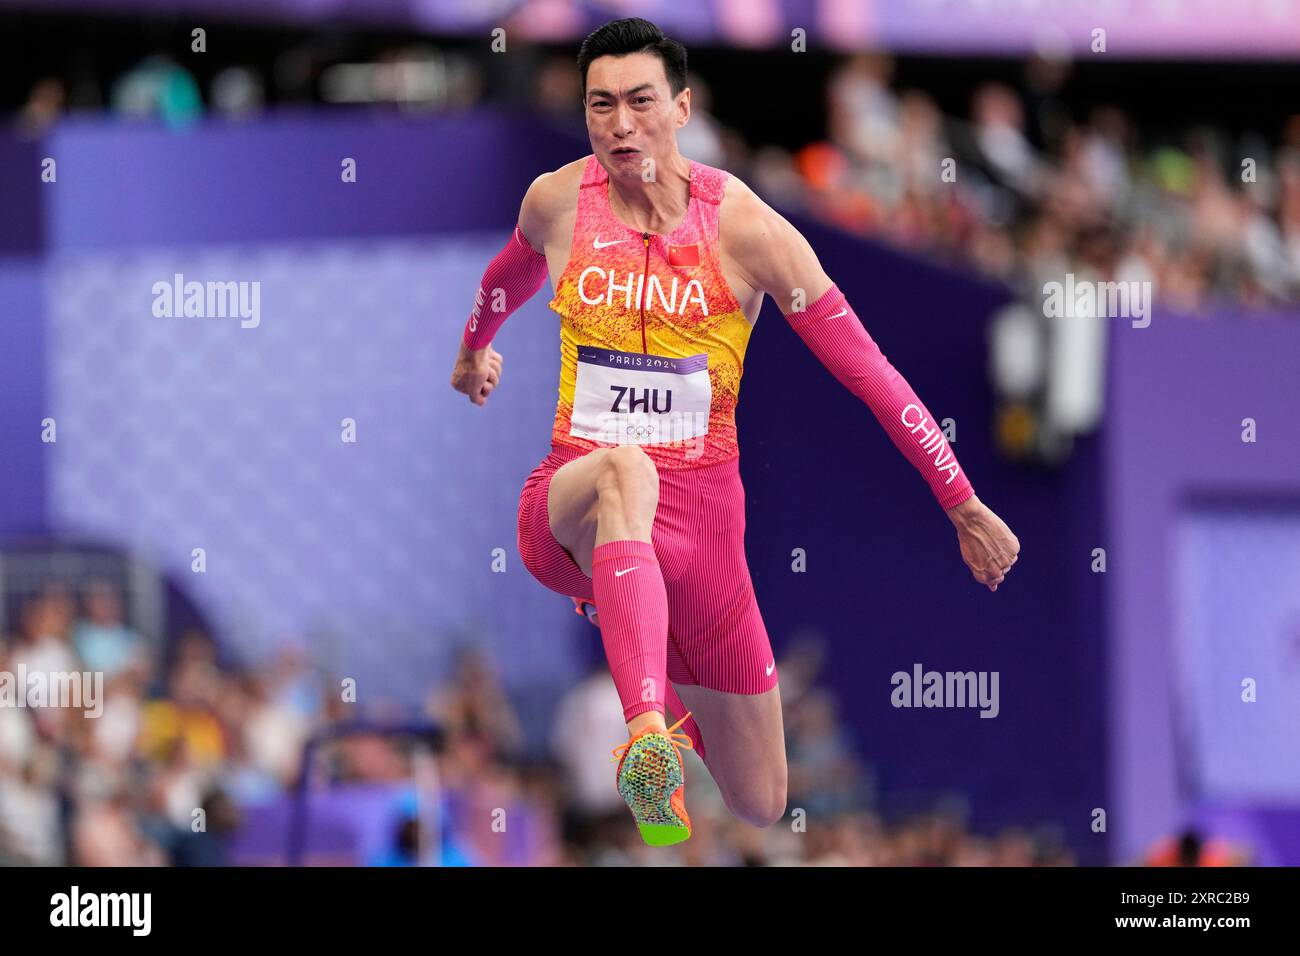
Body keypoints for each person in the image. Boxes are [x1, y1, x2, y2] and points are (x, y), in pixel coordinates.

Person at [450, 18, 1020, 846]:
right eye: (599, 105)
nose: (619, 124)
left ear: (682, 108)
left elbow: (869, 370)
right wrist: (473, 353)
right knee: (625, 475)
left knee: (761, 795)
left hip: (705, 541)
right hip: (570, 501)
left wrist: (962, 501)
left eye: (641, 102)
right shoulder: (555, 200)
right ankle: (647, 737)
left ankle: (629, 614)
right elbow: (506, 277)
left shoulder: (747, 229)